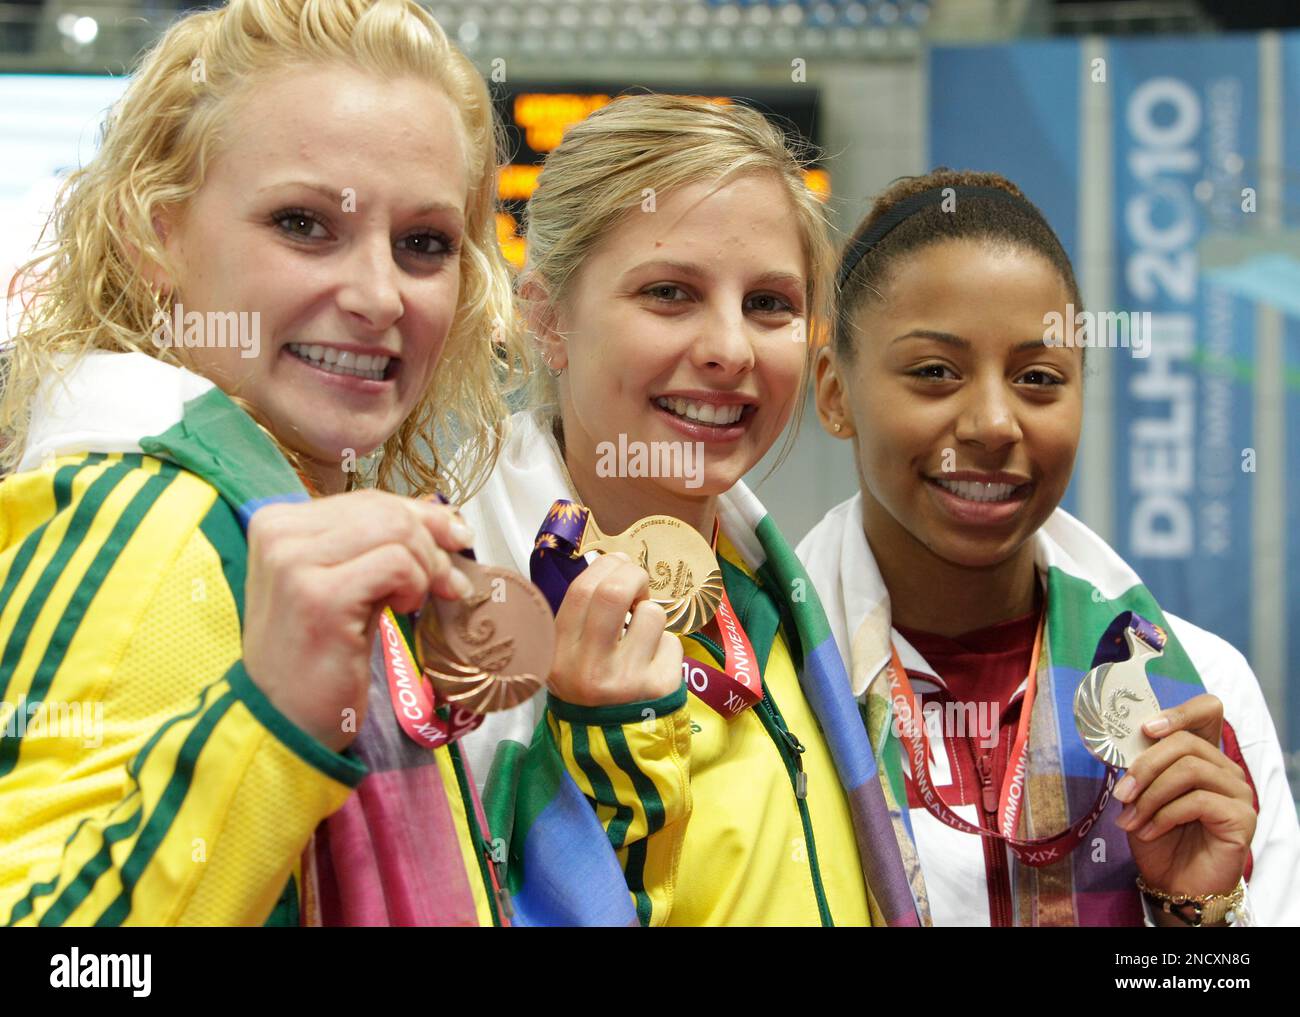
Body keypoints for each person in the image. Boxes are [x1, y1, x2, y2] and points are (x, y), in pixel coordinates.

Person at [0, 0, 523, 926]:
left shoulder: (290, 514)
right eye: (304, 224)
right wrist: (272, 723)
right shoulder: (142, 526)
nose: (376, 296)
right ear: (154, 234)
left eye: (424, 244)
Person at [457, 94, 918, 927]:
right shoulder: (455, 632)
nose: (730, 348)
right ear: (545, 317)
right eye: (670, 292)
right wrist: (605, 752)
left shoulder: (789, 606)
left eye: (770, 303)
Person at [798, 168, 1300, 926]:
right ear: (835, 392)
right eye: (936, 372)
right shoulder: (770, 685)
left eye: (1038, 377)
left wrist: (1192, 911)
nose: (996, 423)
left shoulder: (1197, 696)